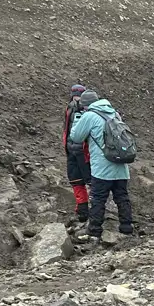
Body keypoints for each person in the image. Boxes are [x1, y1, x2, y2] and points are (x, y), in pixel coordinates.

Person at [68, 90, 134, 239]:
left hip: (102, 167)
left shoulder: (89, 116)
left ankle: (94, 229)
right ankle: (126, 227)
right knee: (122, 196)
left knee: (98, 198)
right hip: (121, 165)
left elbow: (76, 137)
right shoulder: (114, 113)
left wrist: (78, 119)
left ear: (85, 105)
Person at [62, 84, 92, 222]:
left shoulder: (73, 108)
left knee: (80, 180)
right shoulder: (73, 108)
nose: (77, 98)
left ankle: (85, 209)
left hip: (79, 150)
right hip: (78, 150)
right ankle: (84, 209)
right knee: (79, 180)